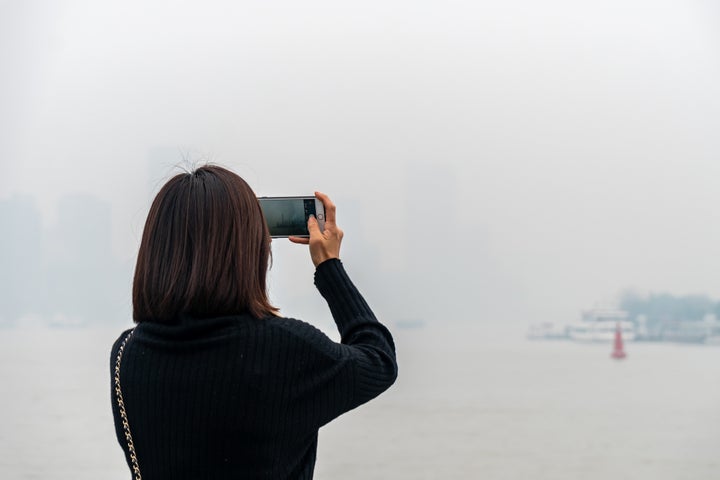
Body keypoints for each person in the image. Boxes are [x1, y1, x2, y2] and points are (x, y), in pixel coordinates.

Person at [110, 165, 398, 480]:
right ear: (251, 248)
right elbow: (378, 359)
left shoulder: (125, 354)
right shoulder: (285, 349)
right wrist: (329, 266)